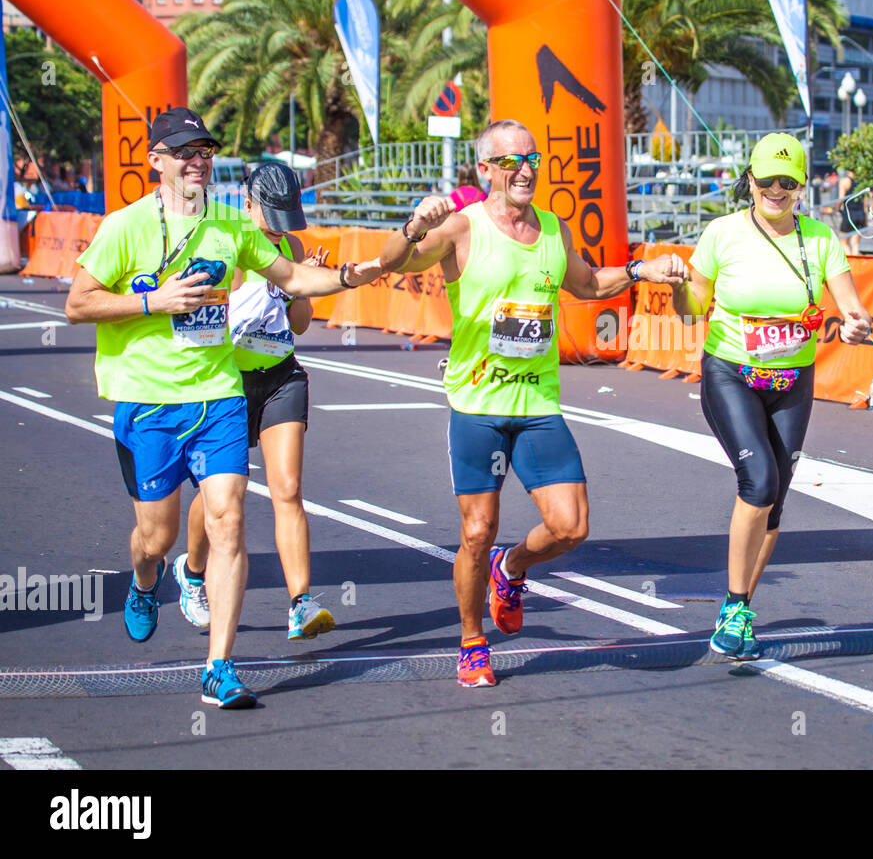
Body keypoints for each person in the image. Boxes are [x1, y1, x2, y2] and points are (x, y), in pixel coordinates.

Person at [66, 107, 382, 708]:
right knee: (154, 537)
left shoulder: (231, 228)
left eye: (205, 151)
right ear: (156, 160)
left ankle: (219, 668)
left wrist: (349, 275)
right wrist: (155, 302)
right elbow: (78, 305)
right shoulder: (124, 227)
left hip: (218, 397)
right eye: (184, 151)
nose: (197, 160)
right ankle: (145, 578)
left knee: (230, 522)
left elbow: (293, 278)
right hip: (150, 402)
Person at [377, 118, 686, 688]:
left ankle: (511, 568)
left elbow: (589, 285)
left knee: (571, 527)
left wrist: (643, 270)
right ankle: (472, 641)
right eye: (512, 160)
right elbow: (391, 263)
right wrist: (414, 225)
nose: (525, 169)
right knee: (476, 531)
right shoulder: (461, 230)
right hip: (477, 405)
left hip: (538, 403)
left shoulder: (552, 229)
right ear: (485, 170)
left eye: (533, 159)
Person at [671, 132, 873, 660]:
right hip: (731, 373)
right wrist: (677, 287)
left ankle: (738, 610)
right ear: (751, 181)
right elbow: (692, 310)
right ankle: (736, 605)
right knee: (757, 482)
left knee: (776, 500)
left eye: (788, 181)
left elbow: (853, 306)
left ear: (801, 185)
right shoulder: (722, 233)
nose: (776, 190)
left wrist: (855, 324)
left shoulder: (821, 239)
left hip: (791, 381)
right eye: (767, 180)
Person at [180, 161, 334, 642]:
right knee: (220, 496)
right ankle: (191, 571)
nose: (279, 230)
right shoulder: (223, 244)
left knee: (287, 489)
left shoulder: (291, 245)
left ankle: (300, 604)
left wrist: (306, 283)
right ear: (247, 205)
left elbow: (302, 324)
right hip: (228, 384)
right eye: (271, 217)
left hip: (281, 377)